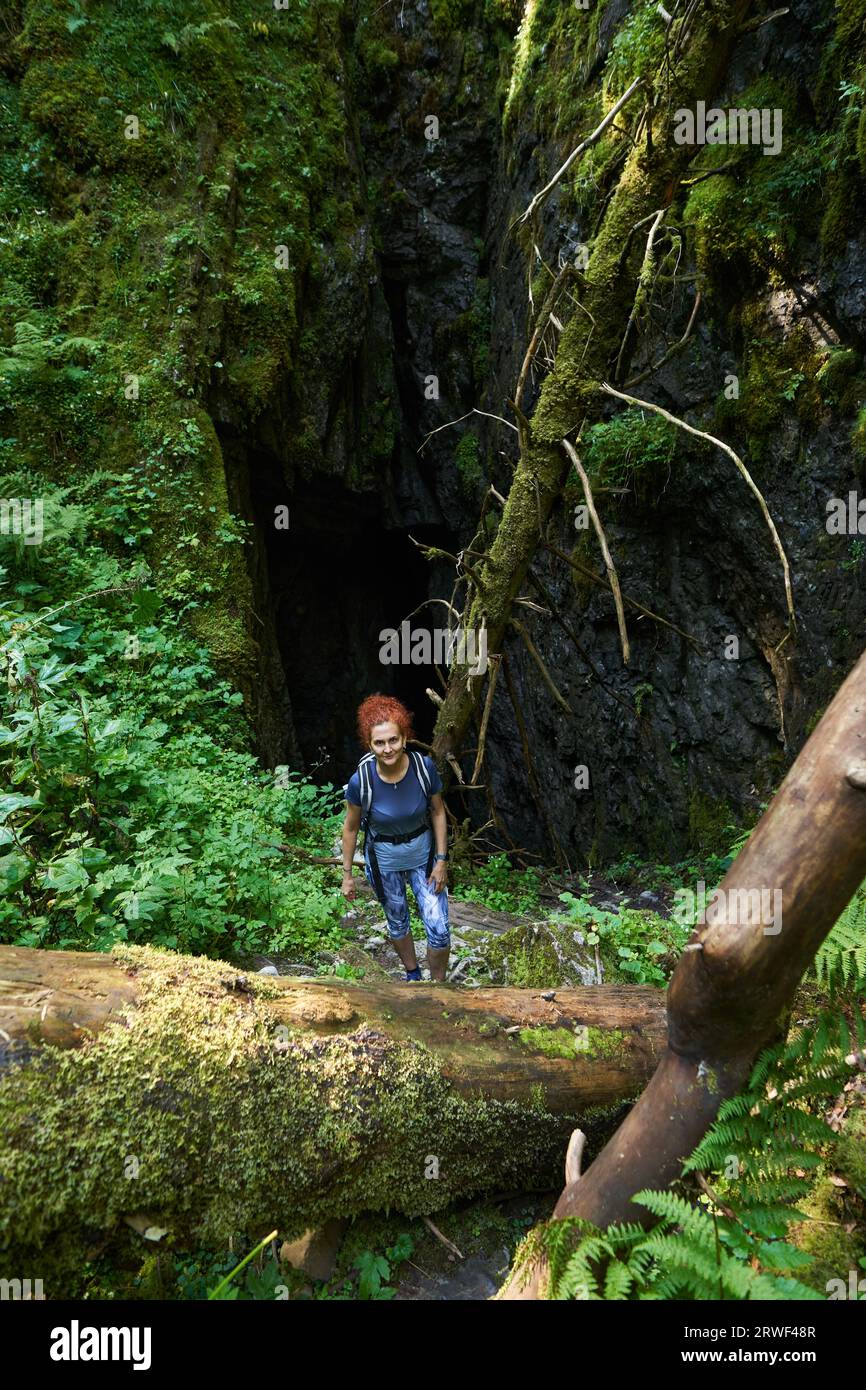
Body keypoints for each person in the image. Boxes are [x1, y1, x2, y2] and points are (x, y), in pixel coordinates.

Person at [341, 694, 450, 982]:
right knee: (398, 922)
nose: (387, 748)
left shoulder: (423, 768)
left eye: (393, 740)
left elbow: (438, 812)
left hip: (424, 856)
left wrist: (441, 860)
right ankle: (413, 975)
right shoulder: (361, 781)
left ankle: (438, 986)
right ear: (370, 744)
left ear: (405, 738)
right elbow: (351, 828)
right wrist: (347, 874)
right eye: (379, 742)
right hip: (383, 860)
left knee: (439, 929)